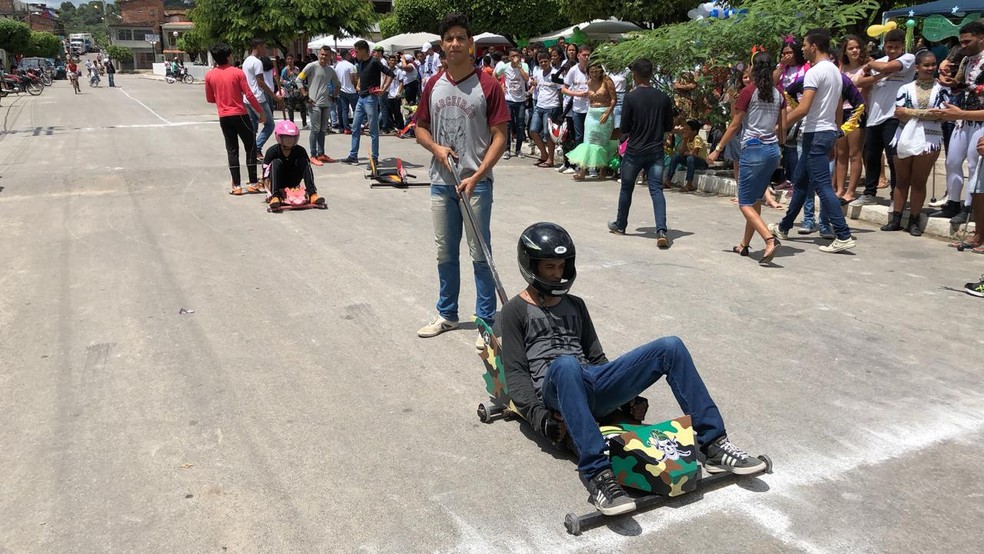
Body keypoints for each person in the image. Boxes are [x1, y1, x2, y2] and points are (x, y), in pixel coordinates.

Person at [501, 222, 766, 516]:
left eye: (562, 266)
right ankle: (599, 476)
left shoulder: (576, 305)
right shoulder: (515, 311)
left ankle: (714, 444)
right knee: (566, 365)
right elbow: (515, 375)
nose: (557, 274)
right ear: (531, 266)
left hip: (590, 380)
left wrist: (625, 398)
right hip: (556, 391)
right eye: (549, 267)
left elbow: (597, 359)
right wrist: (541, 419)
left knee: (670, 346)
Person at [414, 13, 509, 340]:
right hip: (442, 183)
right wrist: (436, 149)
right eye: (449, 38)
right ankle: (447, 314)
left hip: (476, 185)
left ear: (471, 44)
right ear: (442, 44)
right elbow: (419, 128)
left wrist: (479, 173)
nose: (455, 43)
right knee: (445, 252)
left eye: (461, 38)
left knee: (479, 253)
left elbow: (500, 136)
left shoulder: (488, 85)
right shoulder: (432, 85)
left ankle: (485, 320)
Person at [768, 29, 857, 254]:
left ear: (814, 47)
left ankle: (843, 234)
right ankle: (784, 226)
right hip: (824, 132)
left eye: (805, 46)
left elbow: (804, 108)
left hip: (816, 133)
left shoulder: (815, 72)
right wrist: (835, 134)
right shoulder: (836, 72)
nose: (803, 49)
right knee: (801, 181)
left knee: (821, 185)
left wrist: (780, 125)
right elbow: (838, 107)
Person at [708, 51, 786, 265]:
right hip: (772, 150)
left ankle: (769, 240)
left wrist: (718, 149)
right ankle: (744, 245)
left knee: (744, 202)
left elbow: (735, 125)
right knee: (755, 200)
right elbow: (783, 127)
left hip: (754, 148)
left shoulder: (748, 91)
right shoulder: (778, 93)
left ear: (753, 68)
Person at [608, 58, 675, 248]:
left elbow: (626, 127)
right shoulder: (663, 97)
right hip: (655, 151)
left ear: (636, 76)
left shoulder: (630, 98)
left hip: (634, 151)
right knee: (656, 190)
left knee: (626, 189)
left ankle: (620, 225)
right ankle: (661, 230)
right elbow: (669, 126)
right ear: (651, 74)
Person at [882, 50, 948, 235]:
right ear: (917, 67)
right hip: (904, 136)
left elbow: (941, 115)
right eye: (926, 65)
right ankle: (896, 218)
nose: (931, 68)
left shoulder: (942, 90)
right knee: (901, 181)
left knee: (919, 182)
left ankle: (914, 220)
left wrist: (911, 113)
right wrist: (925, 114)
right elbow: (899, 113)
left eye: (933, 64)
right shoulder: (905, 88)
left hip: (929, 138)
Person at [851, 29, 915, 206]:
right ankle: (870, 192)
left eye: (896, 47)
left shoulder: (908, 59)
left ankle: (897, 195)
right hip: (875, 115)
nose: (892, 51)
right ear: (884, 46)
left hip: (895, 114)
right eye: (889, 47)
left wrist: (871, 66)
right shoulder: (879, 62)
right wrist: (877, 75)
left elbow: (888, 68)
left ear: (902, 46)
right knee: (871, 156)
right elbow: (859, 82)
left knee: (893, 156)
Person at [933, 21, 984, 224]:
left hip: (978, 119)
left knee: (974, 165)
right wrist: (954, 83)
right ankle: (953, 202)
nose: (963, 45)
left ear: (982, 38)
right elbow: (964, 85)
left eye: (967, 41)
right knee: (952, 161)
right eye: (961, 41)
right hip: (962, 117)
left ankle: (970, 206)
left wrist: (962, 106)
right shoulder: (966, 61)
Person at [204, 42, 266, 195]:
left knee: (232, 150)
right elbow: (249, 95)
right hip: (240, 114)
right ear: (228, 56)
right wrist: (260, 112)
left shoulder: (210, 75)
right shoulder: (237, 73)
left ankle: (236, 186)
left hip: (224, 116)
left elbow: (210, 99)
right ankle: (252, 182)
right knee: (250, 147)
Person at [340, 40, 395, 166]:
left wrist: (383, 89)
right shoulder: (360, 62)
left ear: (363, 50)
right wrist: (358, 85)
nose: (355, 54)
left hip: (371, 98)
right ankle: (353, 156)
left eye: (357, 51)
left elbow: (390, 73)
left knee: (373, 130)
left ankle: (374, 158)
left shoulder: (375, 62)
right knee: (355, 127)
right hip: (361, 98)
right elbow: (361, 75)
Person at [565, 62, 617, 181]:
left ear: (600, 71)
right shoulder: (588, 82)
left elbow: (614, 99)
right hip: (591, 113)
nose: (594, 74)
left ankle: (602, 170)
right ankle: (582, 171)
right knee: (587, 141)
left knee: (602, 143)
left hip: (604, 112)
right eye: (591, 71)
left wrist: (607, 113)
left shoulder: (607, 81)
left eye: (596, 71)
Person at [835, 35, 869, 203]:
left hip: (858, 112)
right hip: (842, 112)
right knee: (841, 153)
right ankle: (840, 189)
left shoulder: (867, 67)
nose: (854, 50)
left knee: (855, 153)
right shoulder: (841, 68)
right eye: (850, 48)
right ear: (845, 51)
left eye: (857, 47)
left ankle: (850, 191)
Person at [264, 121, 324, 212]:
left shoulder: (300, 151)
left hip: (293, 182)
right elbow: (266, 174)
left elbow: (308, 170)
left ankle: (312, 194)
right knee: (275, 162)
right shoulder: (272, 152)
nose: (289, 140)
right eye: (286, 137)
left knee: (303, 161)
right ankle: (275, 196)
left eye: (292, 137)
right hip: (278, 182)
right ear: (279, 137)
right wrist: (268, 192)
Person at [299, 45, 341, 166]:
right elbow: (299, 79)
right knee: (315, 129)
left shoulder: (330, 70)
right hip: (314, 103)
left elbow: (338, 84)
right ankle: (312, 155)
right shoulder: (311, 66)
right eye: (322, 54)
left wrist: (333, 96)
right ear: (318, 54)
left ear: (330, 56)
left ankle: (321, 153)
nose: (323, 57)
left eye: (326, 55)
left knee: (323, 130)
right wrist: (305, 95)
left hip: (326, 104)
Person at [243, 39, 281, 156]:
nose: (265, 50)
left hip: (248, 98)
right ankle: (257, 148)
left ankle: (251, 150)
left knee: (253, 127)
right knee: (270, 125)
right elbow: (261, 82)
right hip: (258, 98)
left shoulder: (246, 61)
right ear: (258, 46)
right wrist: (274, 96)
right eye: (264, 47)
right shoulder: (257, 62)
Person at [529, 50, 563, 168]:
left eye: (545, 61)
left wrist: (561, 110)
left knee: (548, 134)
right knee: (533, 131)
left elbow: (560, 91)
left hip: (552, 107)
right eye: (541, 62)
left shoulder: (556, 74)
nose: (543, 64)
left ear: (550, 61)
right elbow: (536, 86)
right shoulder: (538, 73)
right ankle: (544, 154)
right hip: (539, 106)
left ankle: (550, 159)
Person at [494, 48, 530, 159]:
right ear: (509, 58)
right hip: (509, 99)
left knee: (520, 125)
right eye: (513, 56)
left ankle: (518, 149)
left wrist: (519, 67)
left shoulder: (524, 66)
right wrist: (500, 86)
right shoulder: (504, 67)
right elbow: (494, 75)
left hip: (521, 100)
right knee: (508, 125)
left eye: (517, 55)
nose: (515, 57)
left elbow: (526, 78)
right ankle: (507, 149)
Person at [664, 119, 709, 191]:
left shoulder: (697, 138)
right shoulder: (687, 139)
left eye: (687, 130)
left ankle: (689, 184)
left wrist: (686, 153)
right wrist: (684, 141)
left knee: (690, 158)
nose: (685, 131)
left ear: (694, 132)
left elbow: (694, 154)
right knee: (676, 157)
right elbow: (681, 153)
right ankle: (668, 180)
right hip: (691, 160)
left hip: (702, 162)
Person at [335, 49, 358, 133]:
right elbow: (353, 79)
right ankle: (356, 126)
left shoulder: (338, 65)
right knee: (356, 109)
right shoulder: (351, 66)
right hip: (351, 90)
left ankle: (346, 128)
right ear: (347, 55)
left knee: (345, 110)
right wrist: (356, 87)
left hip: (341, 90)